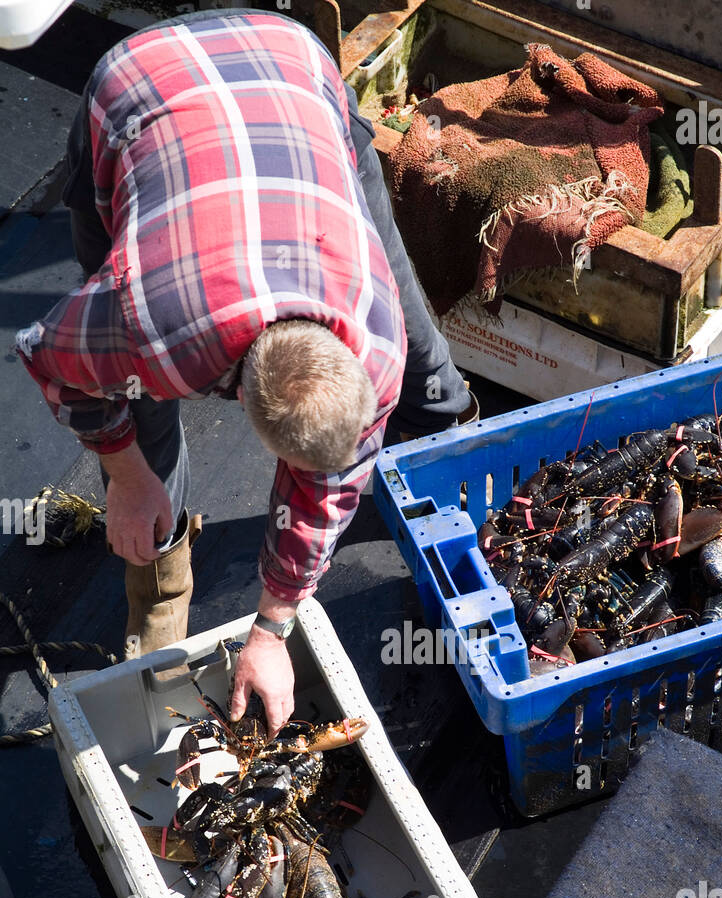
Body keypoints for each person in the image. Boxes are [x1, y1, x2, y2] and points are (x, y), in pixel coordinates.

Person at [16, 8, 474, 733]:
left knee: (417, 335)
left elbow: (322, 493)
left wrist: (272, 629)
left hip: (294, 64)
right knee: (138, 413)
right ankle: (160, 583)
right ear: (233, 398)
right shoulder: (149, 334)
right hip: (140, 89)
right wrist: (128, 478)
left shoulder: (375, 348)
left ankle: (446, 445)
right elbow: (49, 358)